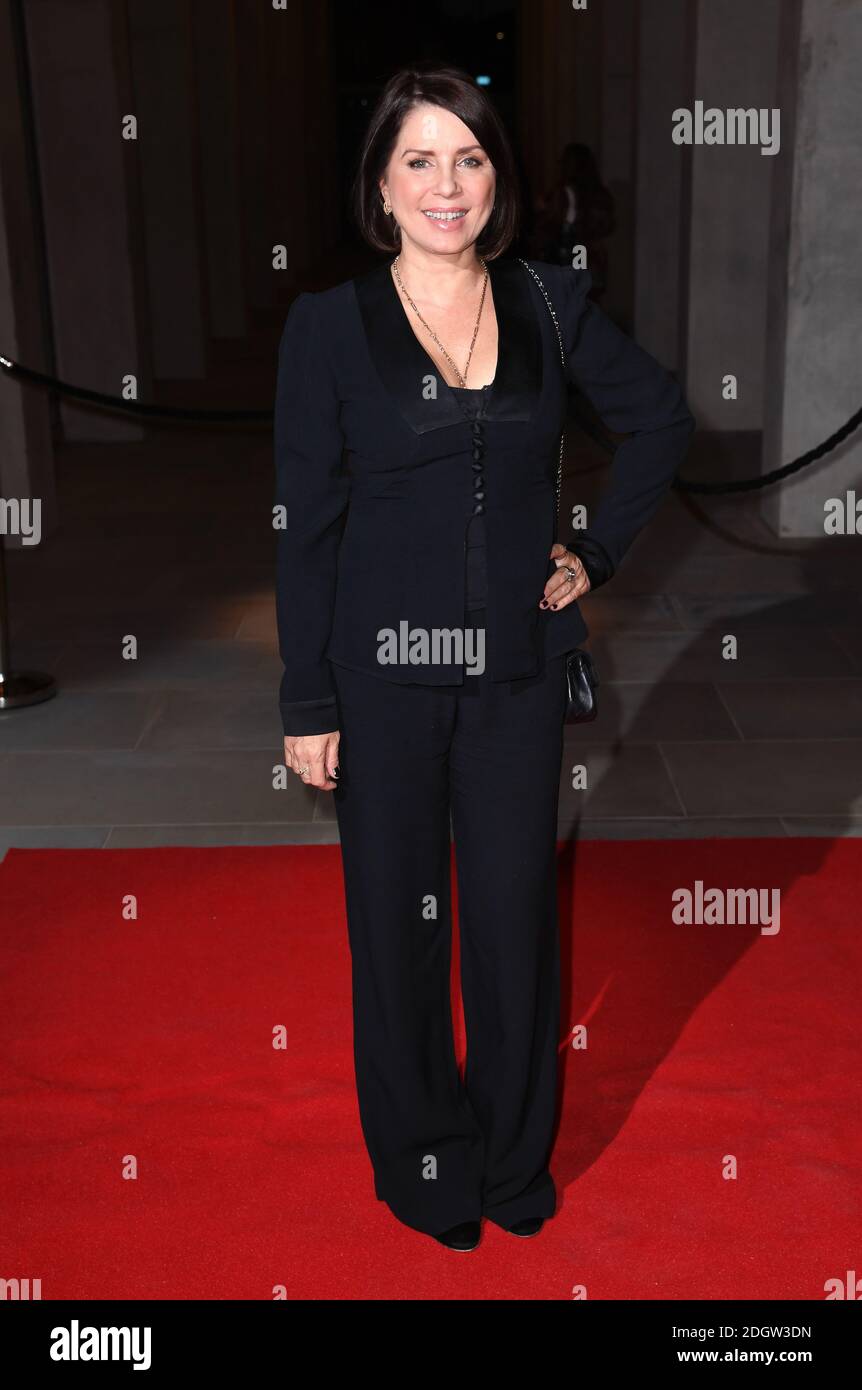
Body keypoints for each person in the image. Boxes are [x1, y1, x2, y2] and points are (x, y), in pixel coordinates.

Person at [274, 64, 695, 1251]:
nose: (445, 184)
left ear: (497, 177)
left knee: (512, 928)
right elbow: (305, 526)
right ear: (382, 184)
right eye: (418, 159)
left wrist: (595, 553)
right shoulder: (327, 327)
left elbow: (662, 415)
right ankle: (423, 1162)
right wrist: (307, 696)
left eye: (467, 157)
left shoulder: (549, 304)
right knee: (396, 939)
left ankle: (512, 1161)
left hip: (512, 681)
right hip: (380, 682)